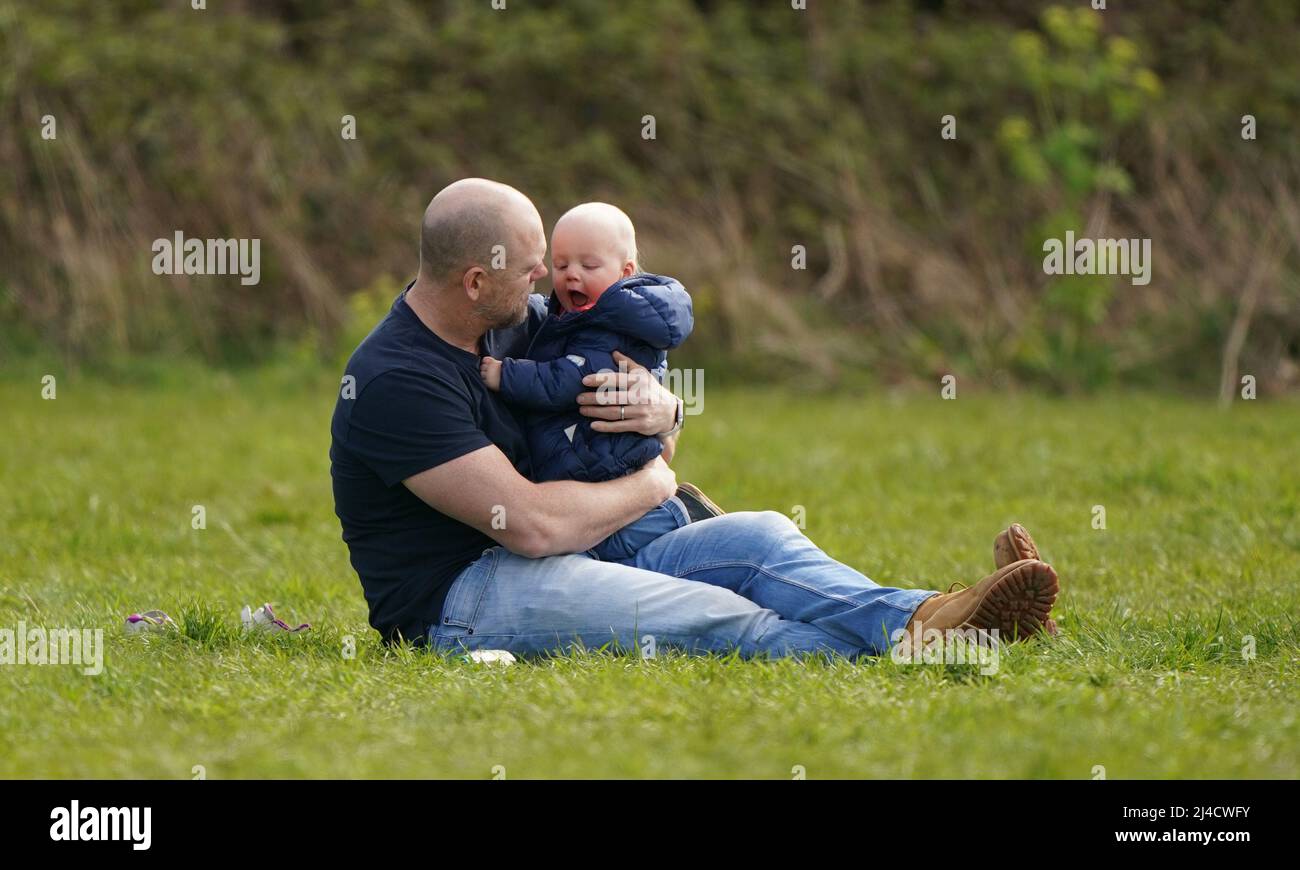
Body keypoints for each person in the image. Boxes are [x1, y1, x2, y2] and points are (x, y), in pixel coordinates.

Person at [328, 177, 1060, 658]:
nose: (548, 282)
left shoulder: (519, 323)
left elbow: (635, 402)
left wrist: (663, 408)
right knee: (714, 614)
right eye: (531, 269)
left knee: (764, 538)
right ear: (476, 279)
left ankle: (936, 617)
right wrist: (653, 485)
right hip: (466, 597)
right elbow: (530, 524)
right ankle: (965, 644)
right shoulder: (397, 379)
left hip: (577, 546)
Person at [479, 201, 695, 562]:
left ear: (625, 272)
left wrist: (506, 374)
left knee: (608, 546)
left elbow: (570, 379)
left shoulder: (608, 327)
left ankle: (672, 523)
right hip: (596, 461)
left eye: (588, 265)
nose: (570, 275)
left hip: (602, 461)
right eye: (561, 265)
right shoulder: (566, 318)